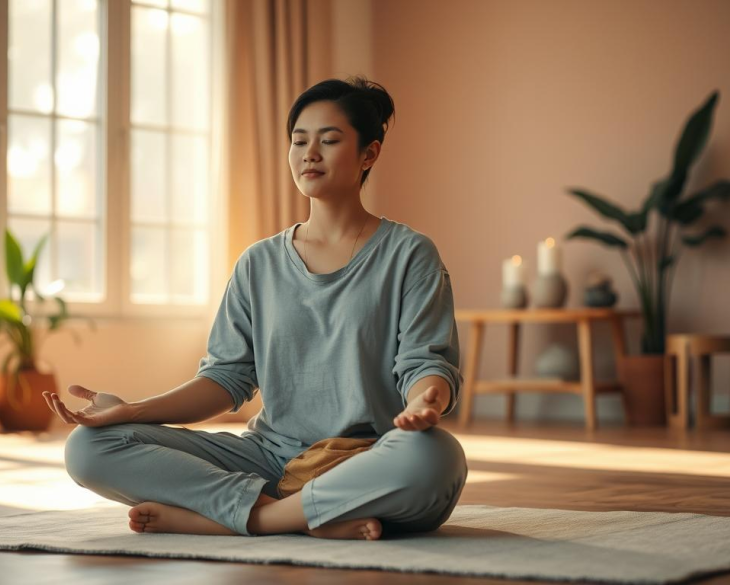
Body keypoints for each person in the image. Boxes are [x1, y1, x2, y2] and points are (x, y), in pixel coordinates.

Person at [44, 76, 468, 541]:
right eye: (299, 141)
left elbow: (426, 363)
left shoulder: (409, 254)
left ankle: (246, 517)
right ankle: (300, 515)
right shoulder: (258, 263)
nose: (310, 153)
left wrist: (427, 399)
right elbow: (225, 380)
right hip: (269, 459)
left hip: (369, 458)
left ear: (369, 154)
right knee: (88, 448)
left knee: (435, 458)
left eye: (329, 140)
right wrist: (131, 412)